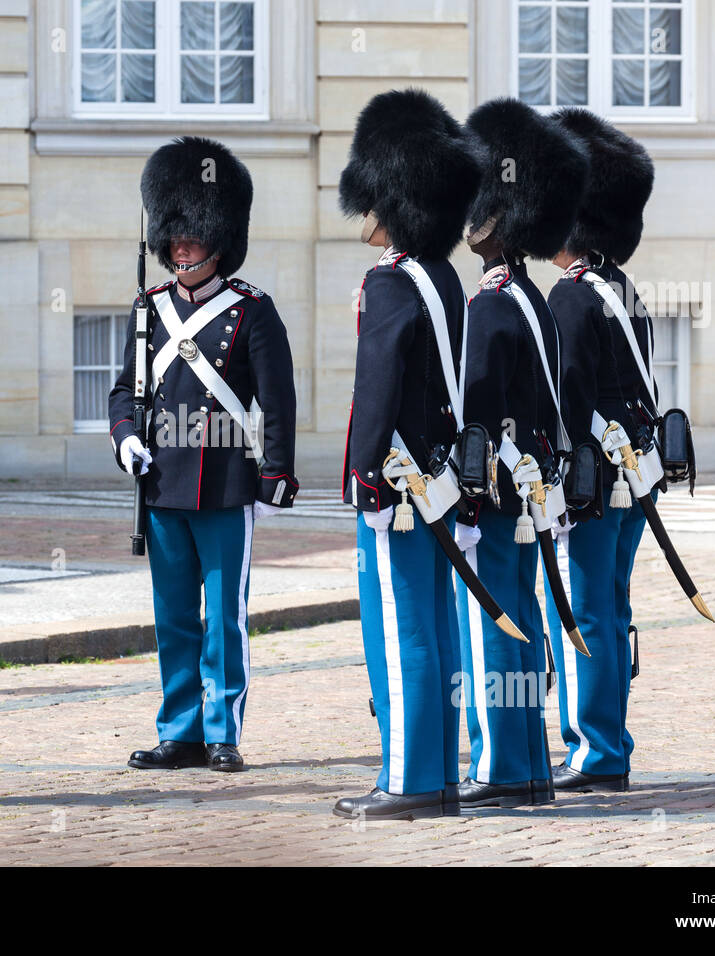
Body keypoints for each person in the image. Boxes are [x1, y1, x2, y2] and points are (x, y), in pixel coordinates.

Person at [108, 137, 299, 773]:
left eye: (192, 238)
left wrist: (274, 476)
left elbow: (277, 399)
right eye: (175, 238)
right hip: (162, 484)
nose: (181, 248)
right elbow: (123, 391)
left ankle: (222, 730)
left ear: (217, 242)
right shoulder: (148, 312)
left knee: (223, 619)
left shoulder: (252, 310)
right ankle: (181, 729)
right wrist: (125, 435)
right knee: (173, 618)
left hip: (222, 485)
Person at [331, 89, 480, 821]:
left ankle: (409, 779)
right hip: (439, 481)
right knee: (435, 623)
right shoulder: (443, 277)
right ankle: (439, 773)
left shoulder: (391, 282)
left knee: (401, 630)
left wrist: (361, 473)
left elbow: (377, 386)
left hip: (396, 485)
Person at [453, 98, 589, 809]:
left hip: (498, 490)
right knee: (525, 615)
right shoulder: (532, 297)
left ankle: (503, 767)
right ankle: (531, 762)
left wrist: (466, 491)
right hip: (533, 486)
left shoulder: (492, 303)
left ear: (494, 219)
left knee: (494, 621)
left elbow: (477, 408)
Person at [542, 109, 657, 793]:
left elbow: (561, 404)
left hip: (589, 483)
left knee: (586, 613)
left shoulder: (572, 295)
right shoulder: (619, 289)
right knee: (608, 610)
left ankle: (596, 748)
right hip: (630, 477)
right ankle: (607, 740)